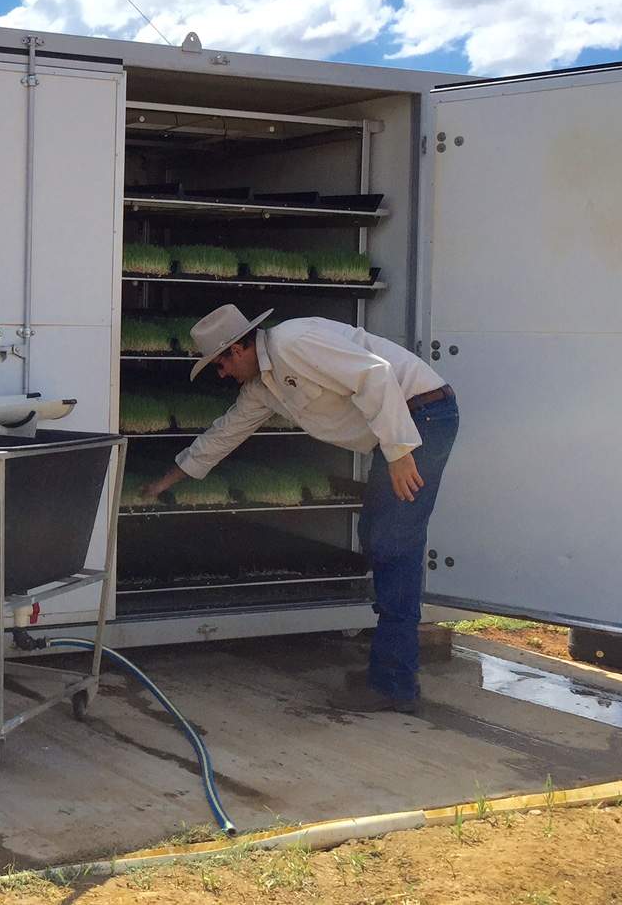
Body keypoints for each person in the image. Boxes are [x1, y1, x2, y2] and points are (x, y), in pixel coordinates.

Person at [142, 304, 459, 713]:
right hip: (403, 429)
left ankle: (395, 685)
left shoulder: (292, 343)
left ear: (237, 349)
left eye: (220, 364)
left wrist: (399, 452)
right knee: (378, 538)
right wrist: (169, 478)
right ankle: (390, 667)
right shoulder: (264, 386)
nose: (221, 375)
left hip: (422, 418)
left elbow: (375, 374)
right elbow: (227, 432)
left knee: (393, 545)